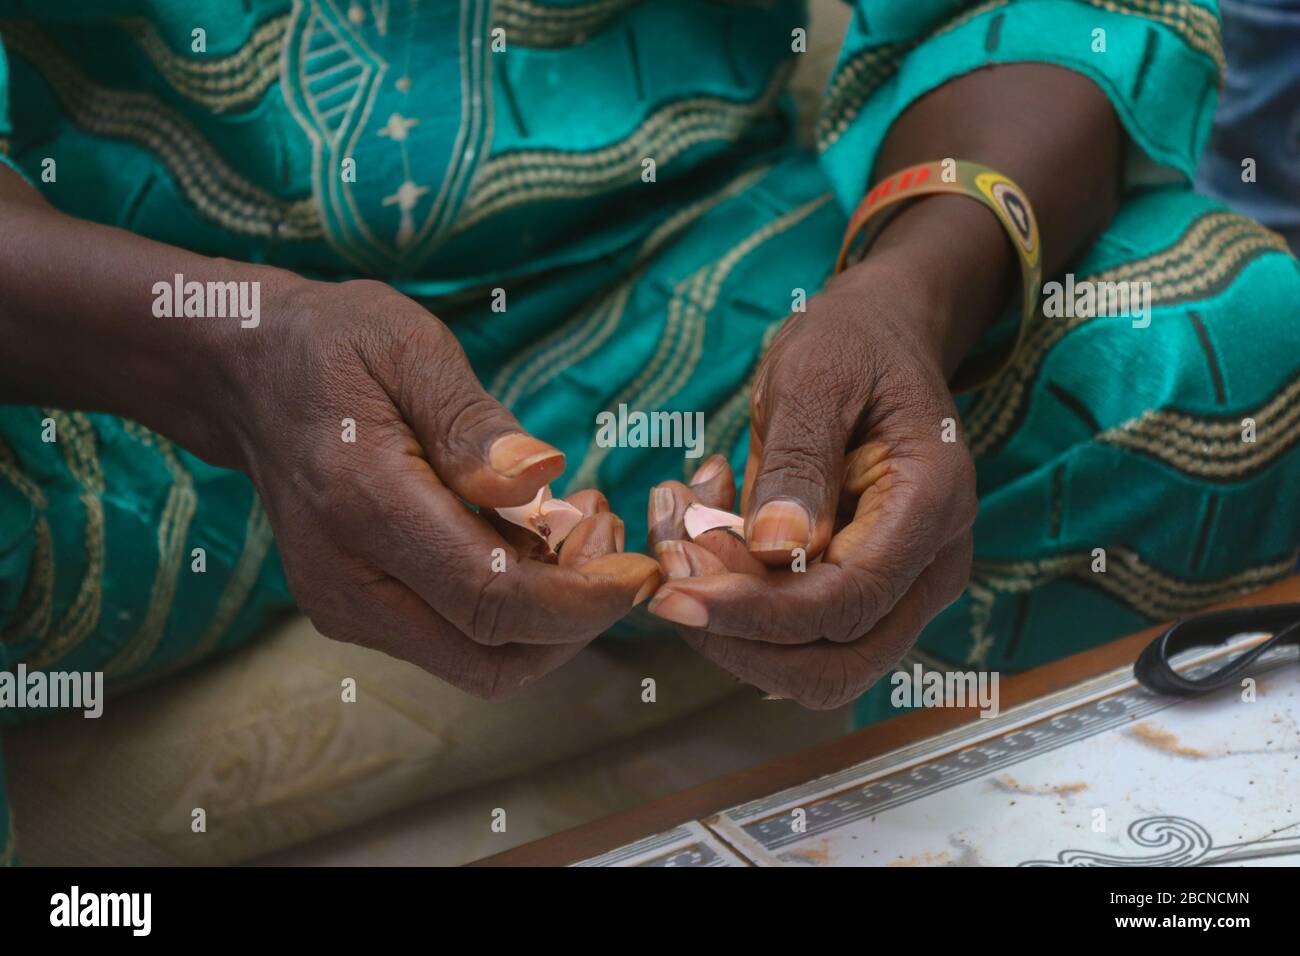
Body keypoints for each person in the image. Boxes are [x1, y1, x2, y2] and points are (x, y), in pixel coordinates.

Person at [2, 0, 1297, 866]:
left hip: (668, 260)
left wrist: (911, 290)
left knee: (1220, 347)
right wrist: (230, 349)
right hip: (103, 356)